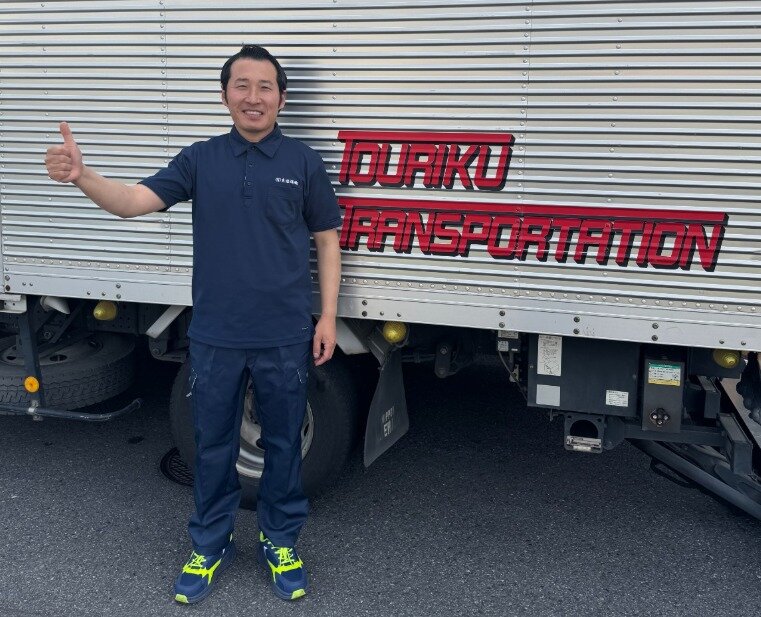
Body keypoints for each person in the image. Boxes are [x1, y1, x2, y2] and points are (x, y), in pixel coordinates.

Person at [44, 44, 342, 604]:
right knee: (212, 446)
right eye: (241, 85)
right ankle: (210, 543)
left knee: (283, 445)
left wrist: (327, 316)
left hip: (284, 335)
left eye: (265, 86)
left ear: (282, 98)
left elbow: (327, 240)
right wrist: (84, 176)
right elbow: (132, 201)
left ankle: (280, 541)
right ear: (224, 95)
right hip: (215, 336)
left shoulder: (303, 162)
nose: (253, 97)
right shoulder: (200, 159)